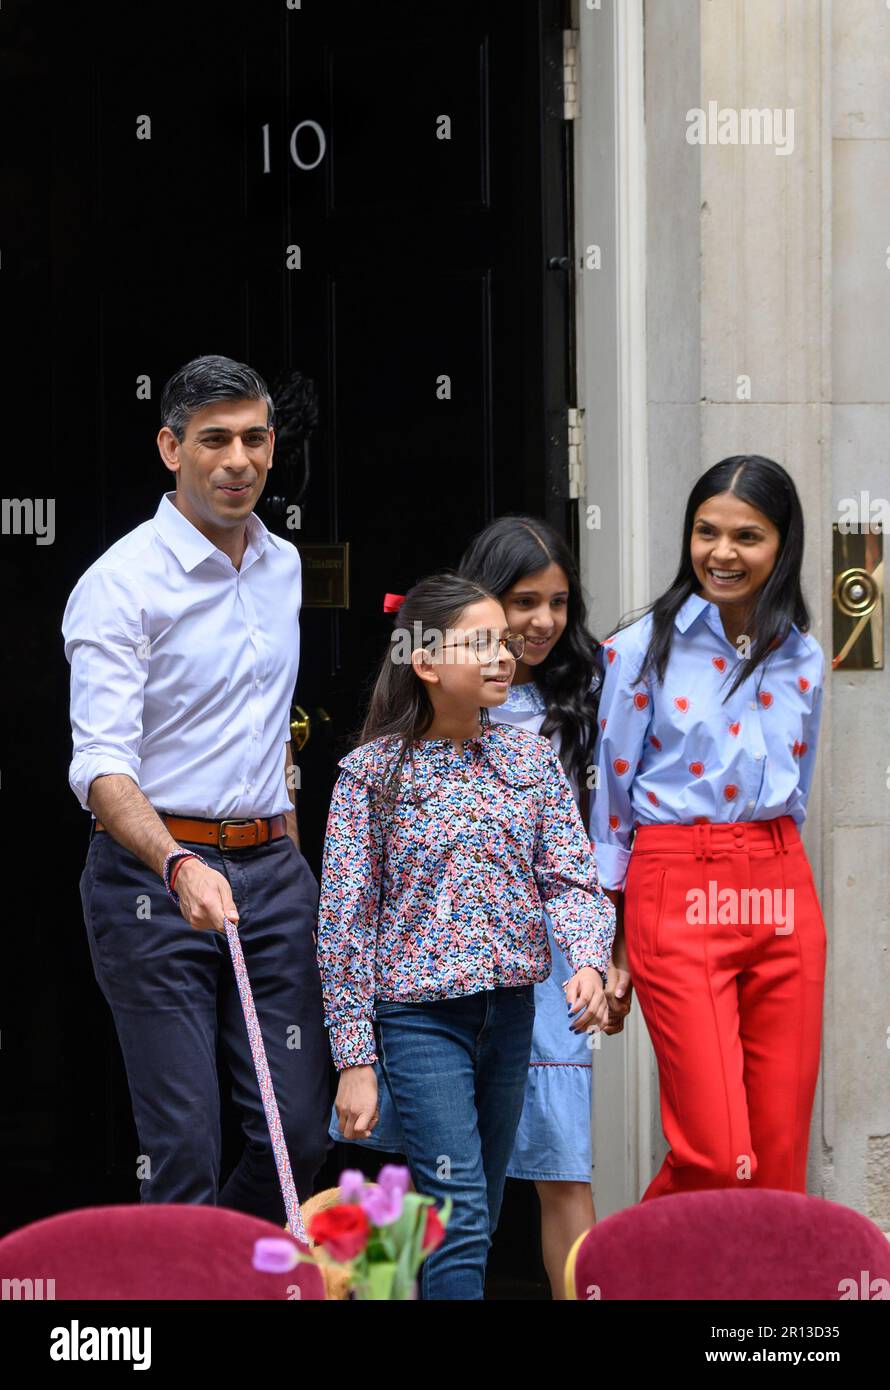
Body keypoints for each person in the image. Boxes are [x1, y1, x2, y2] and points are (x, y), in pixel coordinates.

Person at [326, 517, 630, 1298]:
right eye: (483, 643)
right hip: (421, 1022)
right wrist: (356, 1059)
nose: (505, 655)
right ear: (424, 660)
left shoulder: (528, 760)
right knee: (458, 1212)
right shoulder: (370, 776)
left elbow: (569, 879)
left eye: (507, 642)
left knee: (478, 1212)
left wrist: (591, 960)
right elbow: (345, 929)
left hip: (512, 1015)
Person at [62, 354, 330, 1222]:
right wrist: (178, 865)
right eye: (214, 440)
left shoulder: (283, 565)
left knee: (299, 1134)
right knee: (182, 1147)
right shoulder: (120, 584)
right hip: (152, 880)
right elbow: (101, 767)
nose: (239, 460)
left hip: (270, 874)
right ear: (170, 447)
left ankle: (227, 1272)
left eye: (256, 439)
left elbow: (265, 722)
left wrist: (286, 851)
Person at [590, 454, 826, 1199]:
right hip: (675, 885)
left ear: (782, 547)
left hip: (782, 883)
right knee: (721, 1153)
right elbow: (611, 806)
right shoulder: (638, 651)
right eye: (705, 532)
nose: (722, 553)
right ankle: (632, 1276)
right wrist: (616, 941)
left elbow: (798, 789)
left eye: (747, 536)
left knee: (780, 1156)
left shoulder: (803, 654)